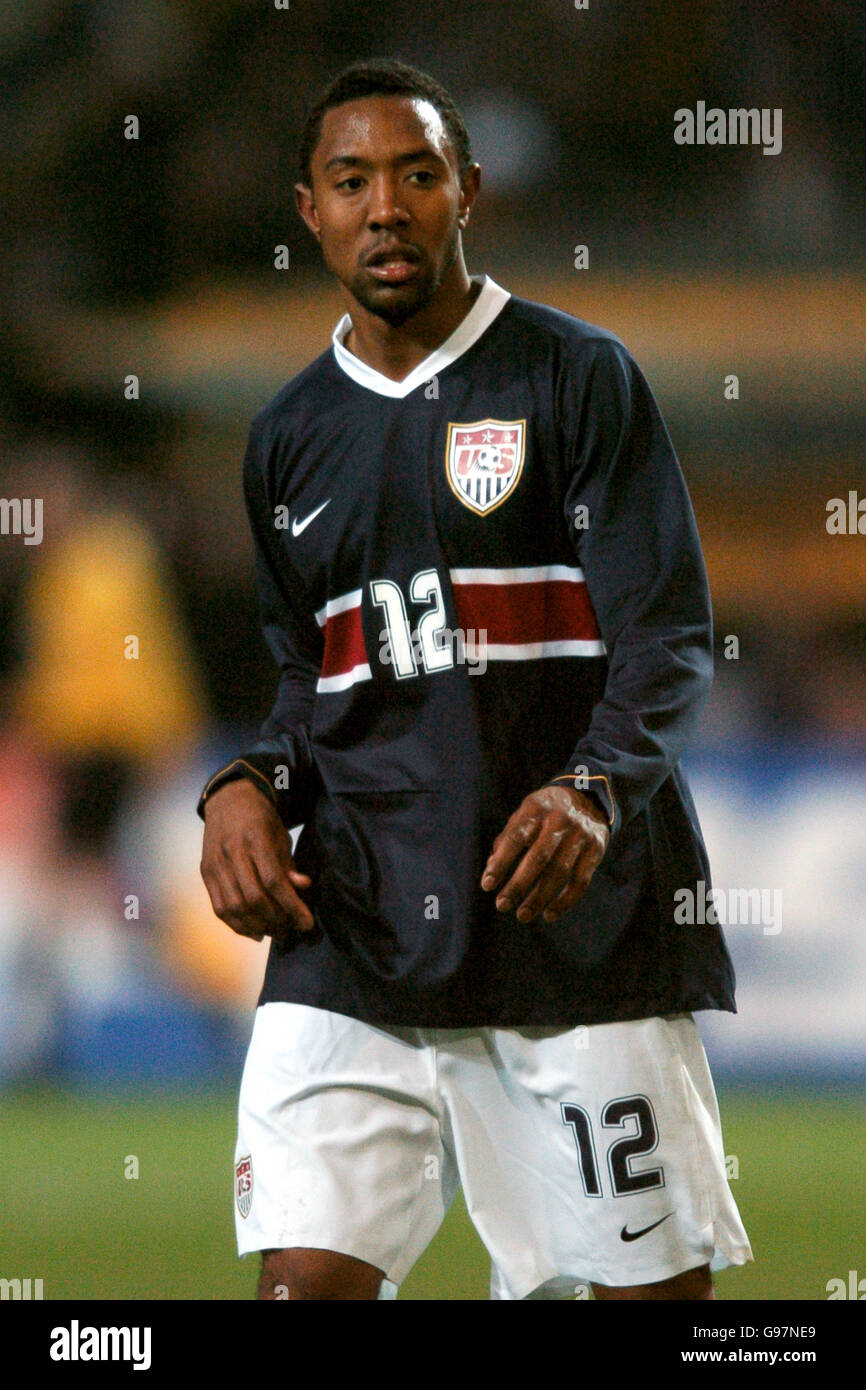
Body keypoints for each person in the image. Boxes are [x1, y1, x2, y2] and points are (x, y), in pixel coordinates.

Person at [198, 58, 752, 1302]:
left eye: (416, 174)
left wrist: (591, 791)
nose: (384, 207)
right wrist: (243, 782)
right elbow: (310, 682)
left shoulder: (574, 377)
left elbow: (665, 638)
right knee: (302, 1283)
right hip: (355, 921)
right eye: (351, 182)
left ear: (468, 193)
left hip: (569, 922)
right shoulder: (286, 438)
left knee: (649, 1301)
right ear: (310, 211)